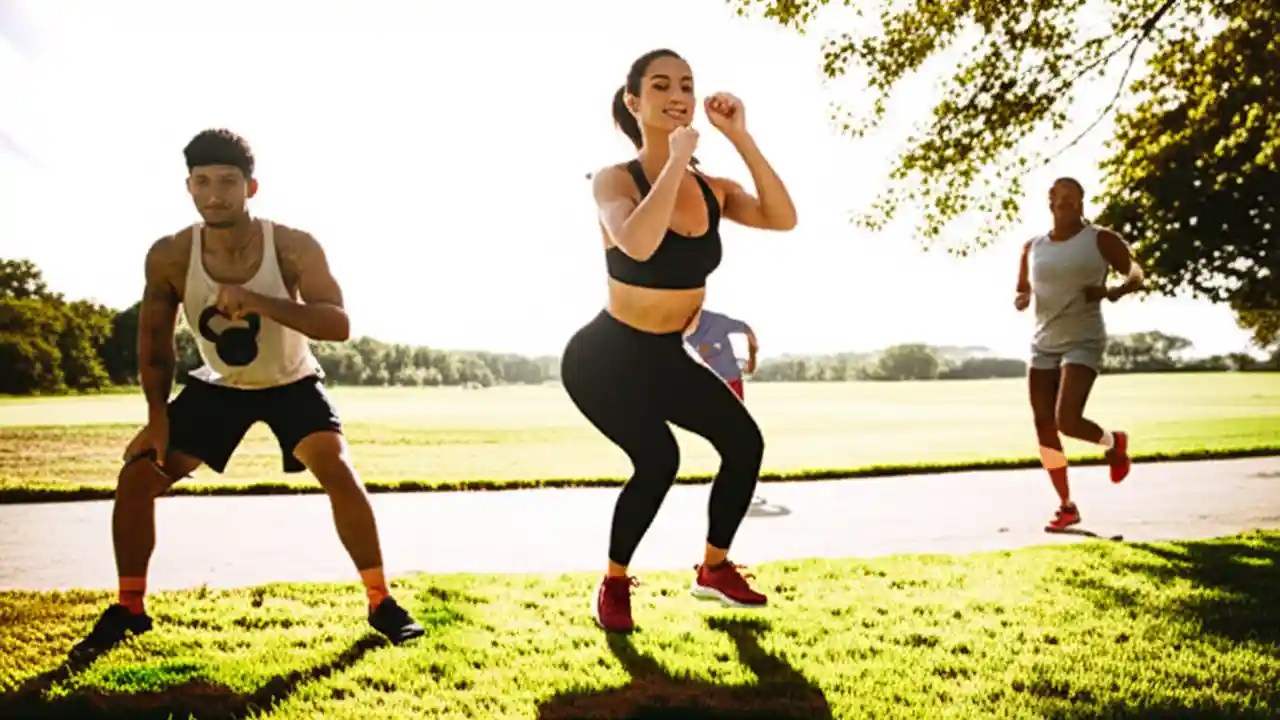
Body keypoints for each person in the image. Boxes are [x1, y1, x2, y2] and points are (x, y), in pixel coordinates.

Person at [70, 129, 424, 659]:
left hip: (292, 382)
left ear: (251, 187)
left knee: (336, 466)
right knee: (137, 478)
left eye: (228, 182)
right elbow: (155, 345)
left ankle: (381, 603)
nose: (216, 194)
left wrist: (263, 301)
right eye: (203, 182)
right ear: (188, 186)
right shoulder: (169, 256)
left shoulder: (292, 245)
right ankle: (130, 608)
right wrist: (156, 419)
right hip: (219, 389)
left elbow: (338, 324)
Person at [561, 48, 797, 633]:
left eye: (686, 85)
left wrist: (739, 137)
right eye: (662, 85)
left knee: (744, 444)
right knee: (658, 459)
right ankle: (615, 583)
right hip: (604, 358)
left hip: (667, 356)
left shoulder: (713, 190)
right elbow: (638, 244)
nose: (679, 95)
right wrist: (674, 160)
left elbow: (782, 216)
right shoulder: (615, 181)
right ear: (634, 102)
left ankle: (714, 570)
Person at [1015, 177, 1141, 533]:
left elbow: (1136, 272)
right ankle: (1066, 505)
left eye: (1073, 197)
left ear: (1082, 201)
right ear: (1050, 201)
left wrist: (1114, 290)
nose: (1066, 202)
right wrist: (1021, 299)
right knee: (1044, 426)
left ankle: (1114, 442)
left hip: (1082, 340)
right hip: (1043, 343)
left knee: (1066, 420)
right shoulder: (1032, 246)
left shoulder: (1100, 239)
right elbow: (1022, 288)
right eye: (1059, 196)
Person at [684, 307, 758, 401]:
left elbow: (746, 329)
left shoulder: (718, 321)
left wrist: (752, 358)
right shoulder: (675, 328)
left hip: (731, 383)